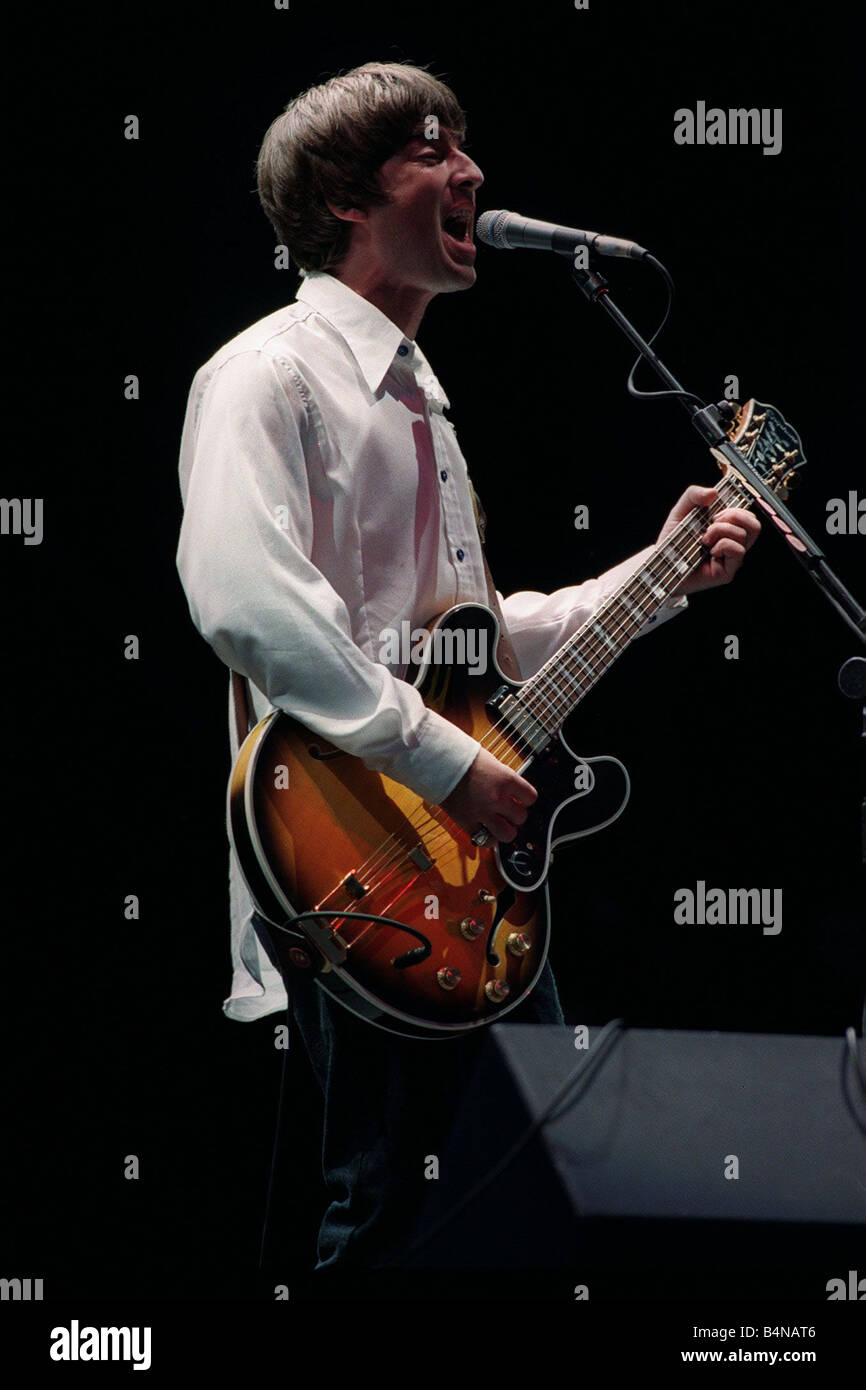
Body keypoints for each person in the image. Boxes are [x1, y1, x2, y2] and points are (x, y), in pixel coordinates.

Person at [176, 60, 760, 1277]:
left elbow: (477, 645)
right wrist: (446, 765)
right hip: (357, 872)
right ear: (345, 194)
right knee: (393, 1226)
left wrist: (654, 576)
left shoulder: (421, 401)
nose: (473, 173)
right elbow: (247, 602)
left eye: (466, 147)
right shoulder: (268, 373)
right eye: (434, 150)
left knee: (515, 1208)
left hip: (457, 884)